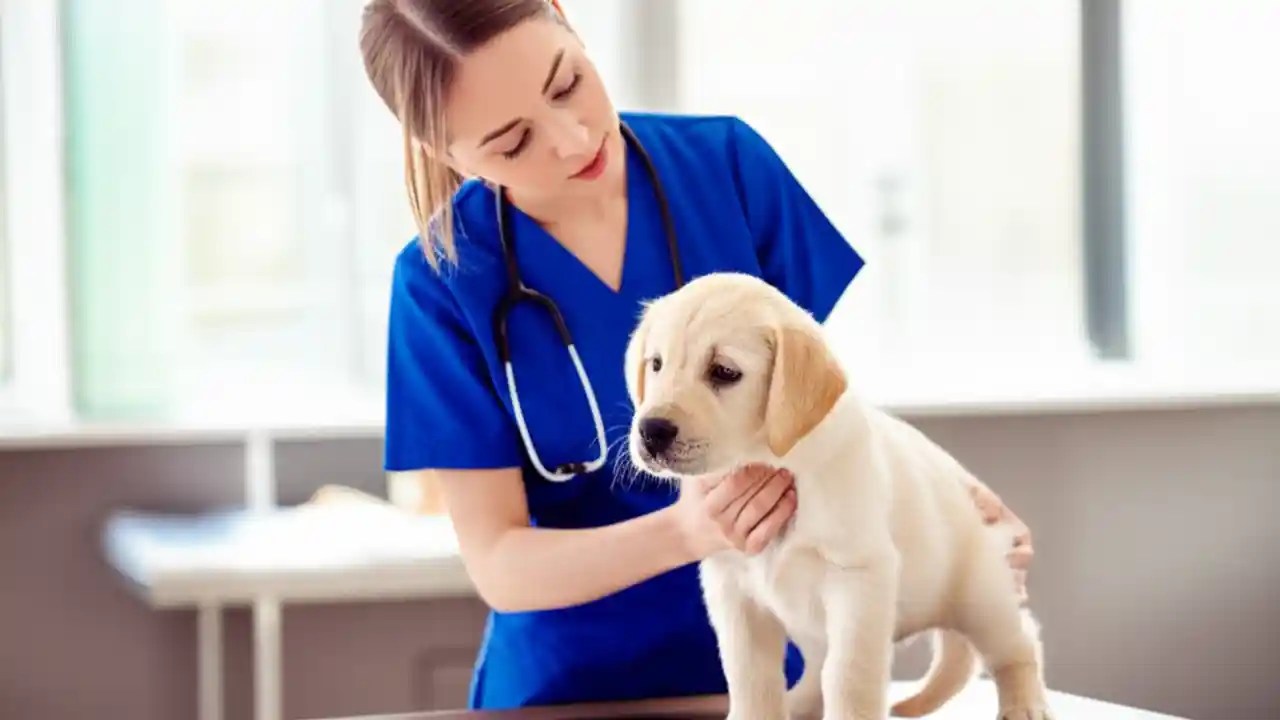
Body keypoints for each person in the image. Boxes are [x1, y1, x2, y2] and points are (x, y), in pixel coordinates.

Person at [358, 0, 1034, 711]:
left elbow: (814, 397)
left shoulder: (727, 169)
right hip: (570, 693)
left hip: (782, 673)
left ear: (568, 21)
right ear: (444, 152)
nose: (572, 136)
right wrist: (687, 531)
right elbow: (499, 563)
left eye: (567, 83)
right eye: (512, 141)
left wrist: (951, 491)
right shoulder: (442, 282)